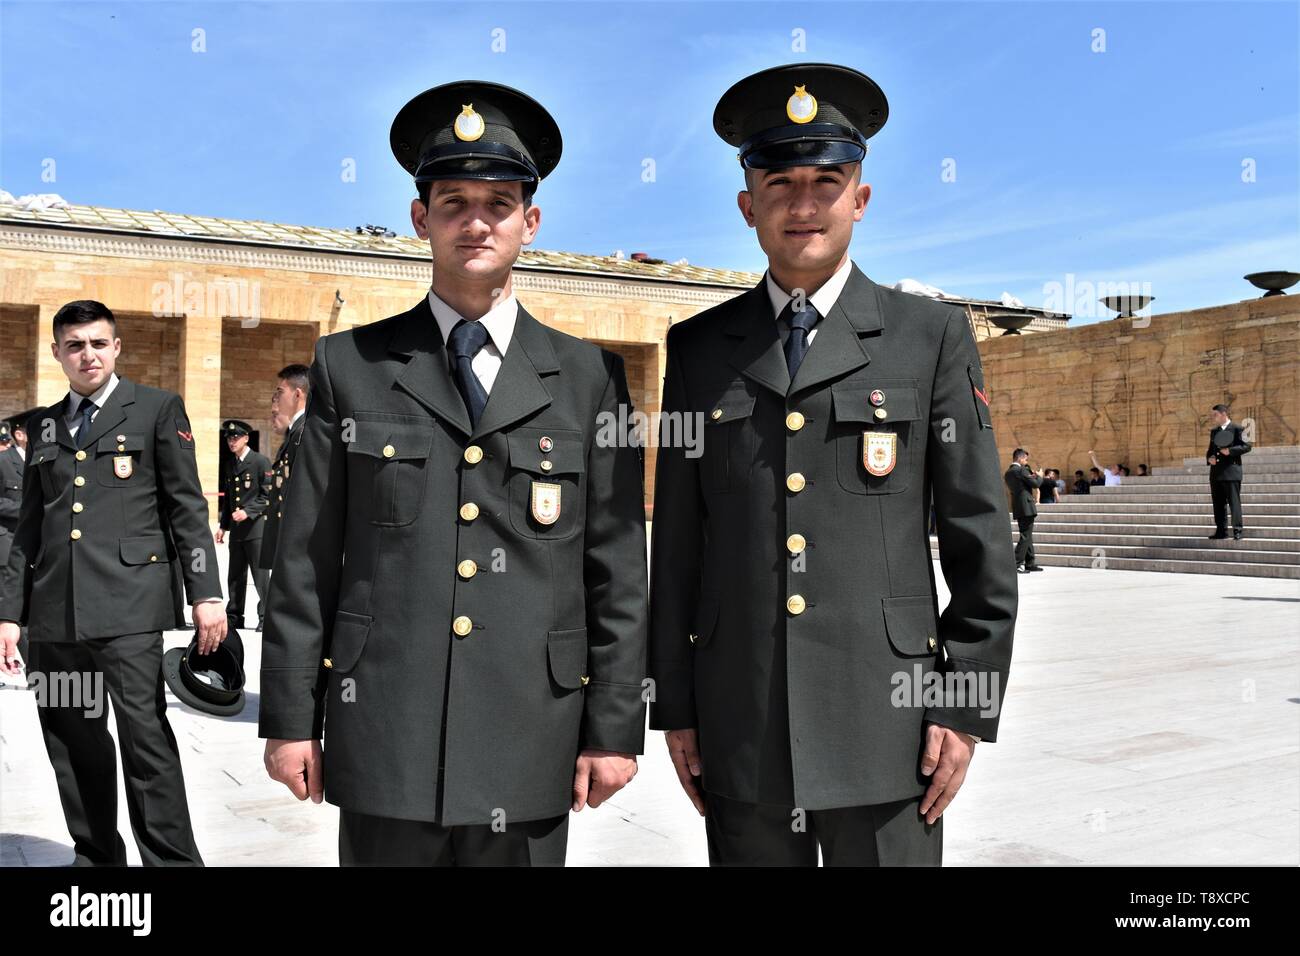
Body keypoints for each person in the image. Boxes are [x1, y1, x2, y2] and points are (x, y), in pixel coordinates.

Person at [259, 81, 649, 867]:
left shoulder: (586, 378)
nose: (477, 221)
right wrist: (290, 717)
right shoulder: (352, 365)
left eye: (499, 203)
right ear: (420, 218)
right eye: (454, 201)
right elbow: (302, 559)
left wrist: (612, 728)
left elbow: (615, 569)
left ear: (530, 223)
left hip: (530, 730)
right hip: (387, 732)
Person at [647, 63, 1016, 867]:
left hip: (892, 730)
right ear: (748, 204)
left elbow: (980, 537)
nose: (803, 202)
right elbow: (677, 544)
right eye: (779, 180)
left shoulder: (930, 337)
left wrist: (963, 703)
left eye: (827, 179)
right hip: (740, 722)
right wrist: (675, 703)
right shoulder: (701, 350)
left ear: (862, 197)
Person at [0, 299, 226, 866]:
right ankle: (96, 856)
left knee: (144, 740)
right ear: (57, 353)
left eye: (98, 343)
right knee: (72, 741)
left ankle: (170, 862)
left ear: (116, 347)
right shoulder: (44, 425)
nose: (88, 354)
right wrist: (9, 612)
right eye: (74, 345)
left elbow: (186, 508)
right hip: (56, 623)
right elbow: (28, 527)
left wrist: (206, 593)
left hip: (129, 615)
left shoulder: (154, 409)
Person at [216, 419, 271, 630]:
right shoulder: (230, 464)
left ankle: (266, 616)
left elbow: (268, 496)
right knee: (235, 575)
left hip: (256, 529)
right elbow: (229, 497)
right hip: (237, 531)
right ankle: (235, 615)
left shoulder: (260, 462)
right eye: (229, 438)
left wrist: (248, 512)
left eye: (236, 437)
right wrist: (223, 526)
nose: (232, 441)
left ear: (246, 438)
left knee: (260, 576)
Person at [258, 364, 310, 571]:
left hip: (296, 545)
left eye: (281, 391)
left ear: (297, 394)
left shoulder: (305, 432)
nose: (276, 398)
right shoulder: (295, 433)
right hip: (286, 541)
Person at [1206, 403, 1252, 540]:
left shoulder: (1239, 428)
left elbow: (1247, 446)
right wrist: (1210, 458)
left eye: (1215, 415)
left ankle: (1237, 530)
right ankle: (1221, 531)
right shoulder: (1214, 431)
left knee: (1234, 503)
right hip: (1216, 473)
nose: (1213, 417)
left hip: (1232, 472)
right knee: (1218, 504)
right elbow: (1210, 451)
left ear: (1223, 414)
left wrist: (1230, 451)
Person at [1004, 449, 1044, 573]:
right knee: (1026, 535)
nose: (1026, 461)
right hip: (1026, 506)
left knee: (1027, 535)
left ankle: (1030, 563)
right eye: (1026, 459)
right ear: (1020, 458)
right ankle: (1016, 563)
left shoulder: (1008, 472)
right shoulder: (1021, 470)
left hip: (1018, 506)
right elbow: (1035, 484)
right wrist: (1040, 476)